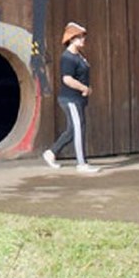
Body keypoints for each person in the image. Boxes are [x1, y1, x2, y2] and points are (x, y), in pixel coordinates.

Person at [42, 21, 98, 172]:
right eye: (80, 37)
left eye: (83, 36)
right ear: (72, 39)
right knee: (79, 128)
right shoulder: (67, 57)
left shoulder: (79, 55)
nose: (83, 39)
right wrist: (83, 88)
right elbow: (67, 79)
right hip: (70, 99)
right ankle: (82, 164)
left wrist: (86, 89)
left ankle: (51, 153)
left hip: (78, 99)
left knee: (73, 130)